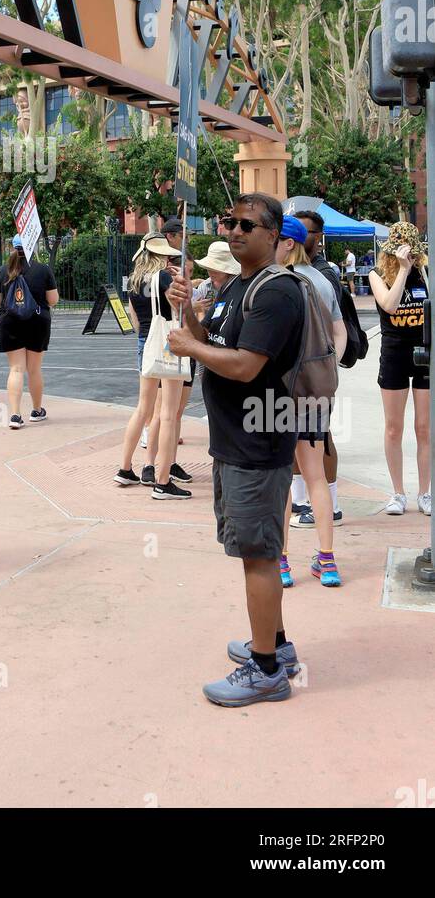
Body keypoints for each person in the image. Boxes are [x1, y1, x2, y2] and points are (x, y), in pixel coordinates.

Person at [167, 193, 306, 706]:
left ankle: (267, 670)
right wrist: (190, 317)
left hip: (258, 441)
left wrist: (190, 347)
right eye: (230, 222)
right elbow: (217, 345)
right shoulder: (239, 287)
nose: (234, 230)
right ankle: (278, 645)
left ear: (275, 235)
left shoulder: (277, 292)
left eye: (247, 224)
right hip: (234, 443)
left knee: (258, 556)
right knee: (256, 550)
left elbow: (246, 366)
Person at [275, 216, 346, 589]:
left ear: (288, 243)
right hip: (316, 390)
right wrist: (328, 366)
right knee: (316, 475)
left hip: (281, 391)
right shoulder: (322, 279)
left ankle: (282, 563)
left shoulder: (275, 281)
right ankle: (328, 561)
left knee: (284, 477)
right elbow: (340, 331)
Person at [115, 233, 190, 497]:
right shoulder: (165, 278)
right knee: (168, 413)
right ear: (162, 255)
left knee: (143, 408)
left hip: (145, 342)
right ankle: (162, 480)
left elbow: (135, 318)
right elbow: (179, 308)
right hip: (168, 344)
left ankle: (125, 468)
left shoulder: (135, 281)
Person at [368, 221, 431, 517]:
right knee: (394, 428)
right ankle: (398, 493)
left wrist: (416, 269)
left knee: (424, 427)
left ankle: (425, 492)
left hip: (424, 353)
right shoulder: (377, 274)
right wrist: (403, 271)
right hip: (394, 353)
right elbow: (390, 306)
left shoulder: (426, 274)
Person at [293, 211, 345, 527]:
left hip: (312, 378)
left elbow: (336, 330)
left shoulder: (322, 276)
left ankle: (329, 503)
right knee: (299, 441)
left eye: (303, 230)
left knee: (319, 440)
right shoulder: (306, 274)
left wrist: (327, 368)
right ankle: (303, 501)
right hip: (307, 377)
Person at [0, 237, 59, 429]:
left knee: (16, 369)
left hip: (10, 322)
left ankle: (14, 415)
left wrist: (1, 319)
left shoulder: (2, 271)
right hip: (37, 321)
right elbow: (53, 300)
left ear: (11, 247)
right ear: (32, 246)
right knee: (34, 369)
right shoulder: (43, 269)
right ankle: (37, 411)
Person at [192, 240, 240, 319]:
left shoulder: (238, 285)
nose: (211, 272)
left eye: (215, 268)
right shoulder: (205, 286)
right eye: (209, 267)